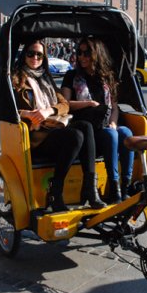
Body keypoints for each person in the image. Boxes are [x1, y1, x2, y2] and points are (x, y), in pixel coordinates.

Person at [12, 39, 106, 212]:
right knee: (75, 136)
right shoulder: (16, 80)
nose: (35, 58)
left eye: (39, 55)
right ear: (24, 55)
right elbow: (6, 110)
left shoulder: (46, 78)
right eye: (31, 53)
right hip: (36, 136)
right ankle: (56, 191)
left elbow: (65, 104)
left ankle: (89, 188)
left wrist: (49, 110)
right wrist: (26, 114)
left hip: (53, 126)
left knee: (85, 126)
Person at [61, 37, 134, 203]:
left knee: (126, 133)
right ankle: (113, 187)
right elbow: (65, 104)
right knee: (111, 135)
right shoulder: (72, 76)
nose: (82, 57)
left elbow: (114, 107)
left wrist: (114, 123)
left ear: (97, 54)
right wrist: (87, 103)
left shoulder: (107, 77)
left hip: (106, 124)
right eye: (79, 52)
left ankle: (125, 186)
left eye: (87, 53)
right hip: (86, 129)